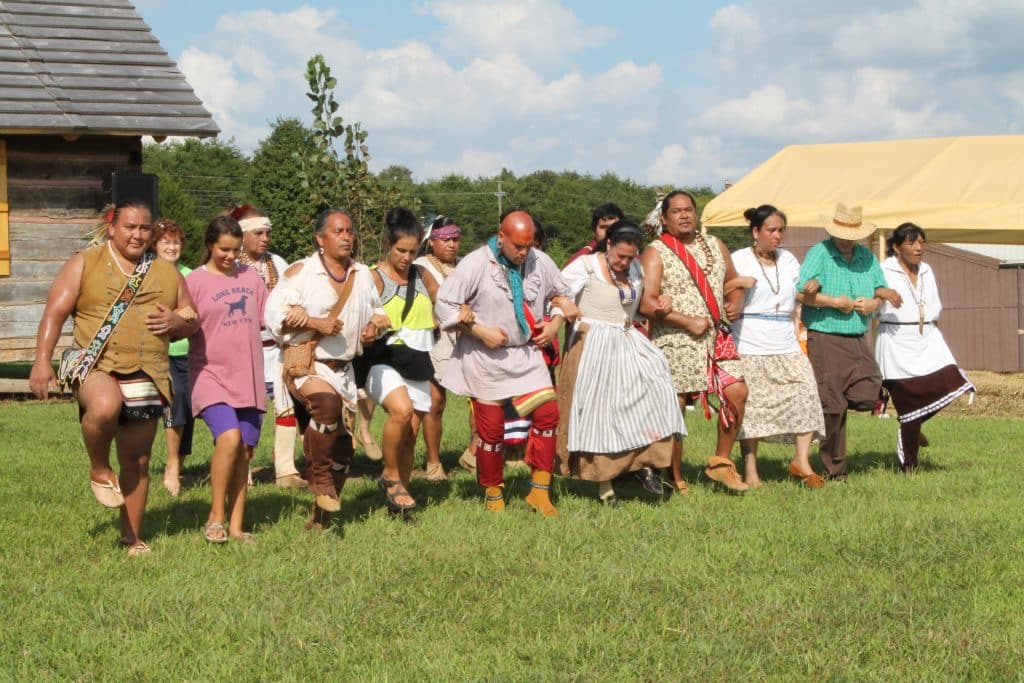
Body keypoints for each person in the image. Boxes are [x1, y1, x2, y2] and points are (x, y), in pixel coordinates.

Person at [29, 201, 197, 556]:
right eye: (130, 227)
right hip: (95, 365)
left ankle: (132, 537)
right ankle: (99, 466)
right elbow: (54, 313)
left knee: (137, 459)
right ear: (112, 228)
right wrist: (42, 361)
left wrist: (178, 324)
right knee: (106, 405)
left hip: (149, 370)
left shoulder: (167, 273)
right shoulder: (84, 262)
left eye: (144, 228)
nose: (138, 234)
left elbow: (192, 320)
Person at [435, 209, 578, 515]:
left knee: (548, 416)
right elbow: (444, 305)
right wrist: (479, 330)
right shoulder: (476, 264)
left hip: (526, 355)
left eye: (528, 245)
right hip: (484, 358)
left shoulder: (539, 261)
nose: (524, 252)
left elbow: (563, 295)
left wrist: (553, 325)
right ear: (501, 238)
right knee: (491, 431)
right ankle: (493, 492)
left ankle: (539, 492)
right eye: (517, 246)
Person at [265, 208, 389, 529]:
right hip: (307, 363)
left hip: (344, 369)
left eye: (349, 230)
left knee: (344, 452)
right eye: (338, 231)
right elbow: (275, 314)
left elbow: (380, 313)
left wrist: (375, 326)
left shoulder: (362, 275)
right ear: (320, 238)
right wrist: (313, 321)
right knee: (326, 405)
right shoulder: (301, 272)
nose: (347, 236)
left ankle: (321, 516)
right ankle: (318, 479)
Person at [555, 219, 685, 506]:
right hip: (593, 344)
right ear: (609, 244)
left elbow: (639, 307)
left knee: (656, 393)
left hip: (626, 339)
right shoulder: (585, 266)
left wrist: (664, 298)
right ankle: (605, 486)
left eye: (630, 257)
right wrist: (562, 307)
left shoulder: (636, 269)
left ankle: (648, 464)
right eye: (620, 256)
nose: (624, 262)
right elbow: (557, 293)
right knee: (601, 415)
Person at [639, 190, 749, 493]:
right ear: (664, 218)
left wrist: (735, 302)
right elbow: (646, 304)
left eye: (689, 209)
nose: (685, 215)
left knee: (737, 391)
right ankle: (673, 476)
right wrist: (686, 321)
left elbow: (733, 282)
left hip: (715, 337)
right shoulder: (655, 251)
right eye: (676, 211)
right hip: (674, 341)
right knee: (675, 407)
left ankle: (721, 464)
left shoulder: (715, 245)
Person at [797, 203, 901, 480]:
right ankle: (835, 470)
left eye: (851, 234)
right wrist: (830, 300)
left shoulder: (866, 256)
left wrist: (877, 300)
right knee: (833, 406)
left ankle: (834, 403)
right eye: (842, 233)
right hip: (825, 334)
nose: (846, 239)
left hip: (857, 334)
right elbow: (799, 292)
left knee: (871, 389)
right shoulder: (820, 253)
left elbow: (876, 286)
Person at [728, 205, 826, 488]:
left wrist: (813, 284)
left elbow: (798, 291)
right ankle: (750, 469)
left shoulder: (788, 259)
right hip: (748, 341)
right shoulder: (740, 259)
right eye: (771, 230)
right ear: (755, 231)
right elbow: (719, 289)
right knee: (754, 406)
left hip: (785, 340)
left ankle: (801, 460)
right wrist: (736, 282)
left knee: (806, 391)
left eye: (781, 230)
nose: (777, 236)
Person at [187, 215, 268, 543]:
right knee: (229, 439)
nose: (230, 257)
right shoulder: (193, 281)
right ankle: (215, 518)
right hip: (209, 374)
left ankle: (236, 527)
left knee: (244, 452)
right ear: (209, 245)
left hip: (248, 376)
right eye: (224, 249)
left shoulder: (251, 277)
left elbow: (269, 318)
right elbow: (182, 323)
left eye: (235, 250)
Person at [359, 207, 439, 519]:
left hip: (418, 359)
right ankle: (389, 474)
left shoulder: (423, 275)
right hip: (383, 358)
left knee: (410, 435)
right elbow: (358, 318)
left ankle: (399, 501)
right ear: (387, 244)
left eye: (412, 251)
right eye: (400, 250)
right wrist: (370, 327)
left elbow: (444, 304)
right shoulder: (373, 277)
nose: (406, 257)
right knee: (402, 411)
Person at [875, 223, 975, 470]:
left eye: (921, 242)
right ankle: (909, 465)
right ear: (897, 247)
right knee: (908, 402)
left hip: (927, 334)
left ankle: (915, 421)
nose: (919, 247)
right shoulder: (883, 269)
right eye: (911, 243)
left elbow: (933, 303)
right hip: (896, 338)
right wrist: (882, 291)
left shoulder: (927, 270)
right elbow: (869, 291)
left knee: (954, 382)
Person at [233, 204, 304, 488]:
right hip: (244, 351)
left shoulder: (278, 262)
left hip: (278, 348)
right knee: (247, 411)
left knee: (285, 407)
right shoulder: (232, 266)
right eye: (259, 233)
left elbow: (293, 296)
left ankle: (285, 470)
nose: (265, 238)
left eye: (267, 232)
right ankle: (242, 471)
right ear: (243, 236)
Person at [412, 215, 462, 481]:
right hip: (433, 340)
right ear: (431, 242)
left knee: (479, 399)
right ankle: (433, 462)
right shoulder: (420, 267)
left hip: (464, 338)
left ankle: (477, 455)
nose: (452, 244)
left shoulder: (463, 267)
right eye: (446, 239)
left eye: (456, 239)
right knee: (434, 402)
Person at [153, 218, 196, 497]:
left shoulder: (190, 275)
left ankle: (178, 465)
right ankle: (170, 465)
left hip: (189, 353)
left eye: (176, 242)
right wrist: (179, 314)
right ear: (155, 245)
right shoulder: (150, 274)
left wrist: (179, 314)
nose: (172, 247)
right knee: (176, 399)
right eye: (166, 242)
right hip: (161, 353)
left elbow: (193, 313)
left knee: (189, 409)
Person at [564, 202, 625, 267]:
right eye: (603, 227)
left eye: (614, 227)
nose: (609, 231)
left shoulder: (632, 258)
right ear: (594, 230)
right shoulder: (579, 261)